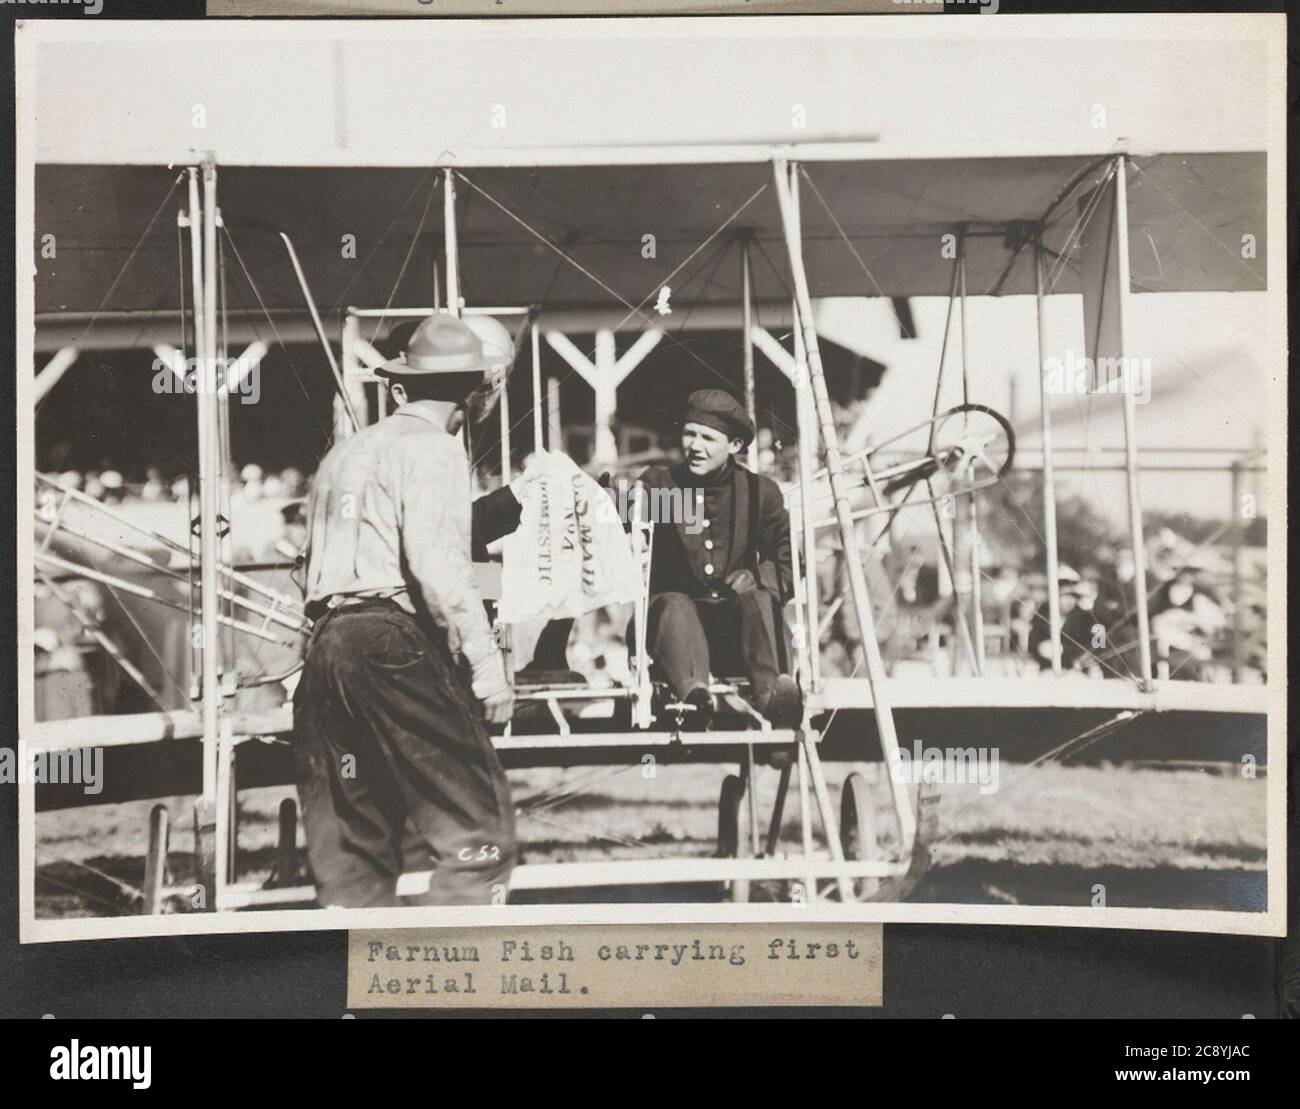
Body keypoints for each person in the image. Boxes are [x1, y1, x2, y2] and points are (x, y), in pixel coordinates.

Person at [293, 313, 525, 908]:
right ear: (475, 390)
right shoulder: (437, 451)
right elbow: (439, 570)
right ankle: (449, 978)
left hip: (326, 648)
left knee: (350, 850)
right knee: (479, 834)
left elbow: (305, 565)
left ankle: (356, 982)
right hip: (389, 642)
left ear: (399, 385)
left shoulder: (341, 457)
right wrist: (487, 668)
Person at [635, 388, 802, 729]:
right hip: (672, 635)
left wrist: (757, 575)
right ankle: (694, 698)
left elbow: (789, 566)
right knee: (676, 603)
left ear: (736, 446)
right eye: (689, 434)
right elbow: (618, 520)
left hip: (735, 635)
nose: (695, 446)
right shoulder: (662, 486)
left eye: (708, 438)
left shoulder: (760, 493)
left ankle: (774, 697)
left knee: (757, 598)